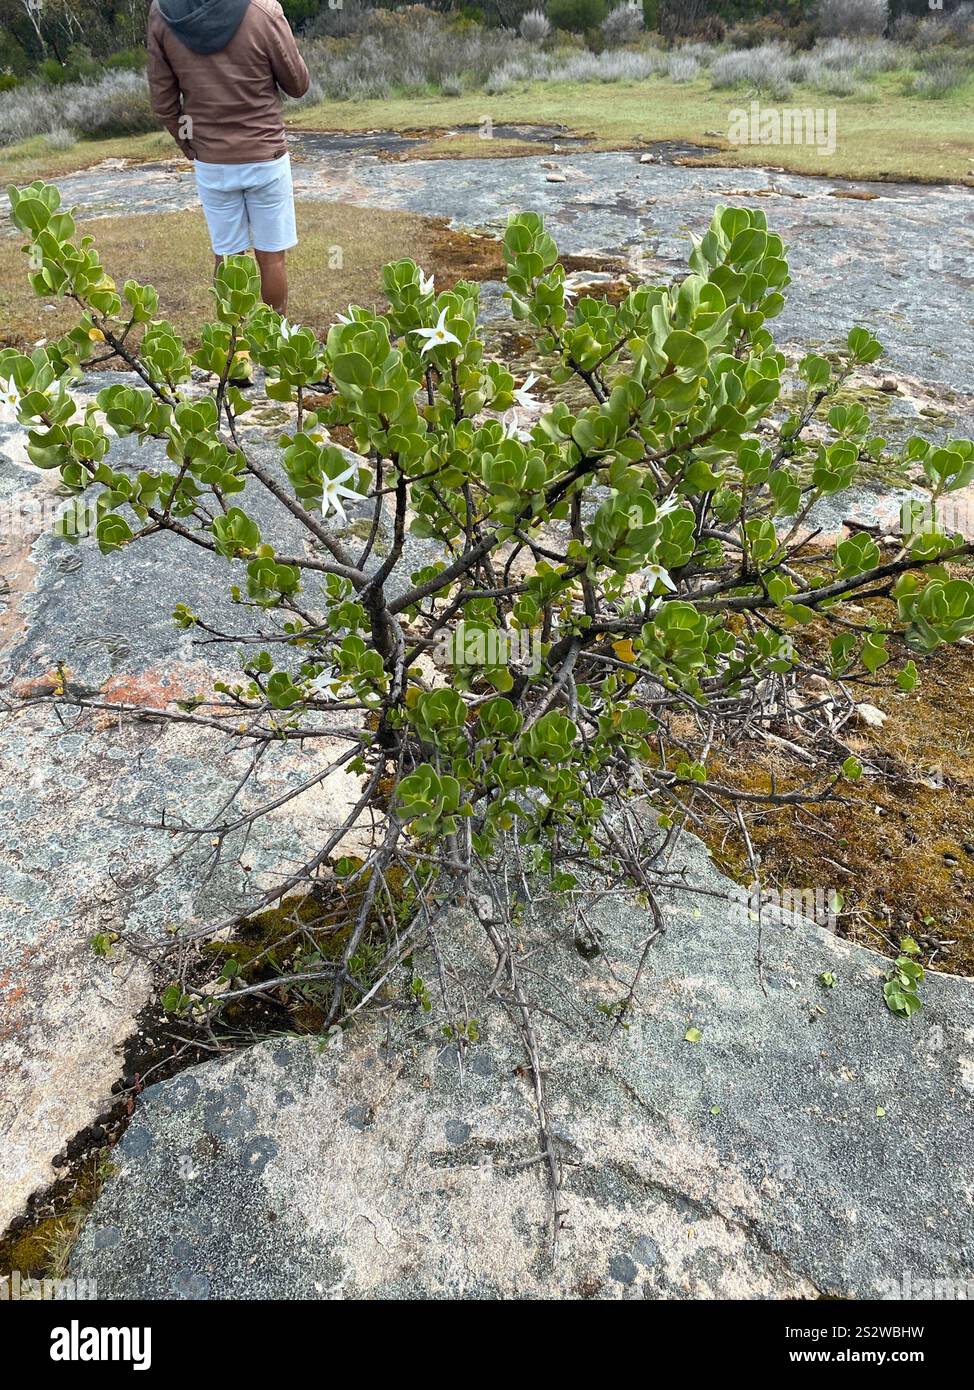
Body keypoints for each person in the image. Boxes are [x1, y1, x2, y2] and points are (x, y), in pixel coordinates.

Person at [147, 0, 310, 314]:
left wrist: (189, 146)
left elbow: (164, 102)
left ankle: (234, 350)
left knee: (227, 256)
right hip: (266, 156)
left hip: (212, 162)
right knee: (272, 257)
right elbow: (298, 84)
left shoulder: (163, 13)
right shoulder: (263, 10)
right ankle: (277, 348)